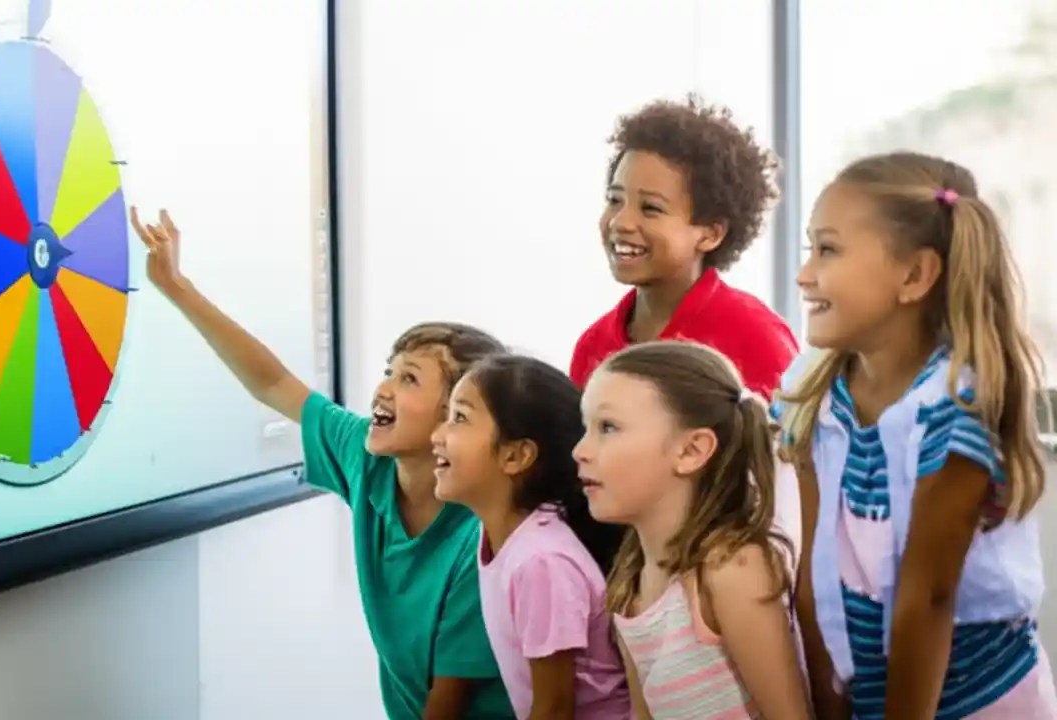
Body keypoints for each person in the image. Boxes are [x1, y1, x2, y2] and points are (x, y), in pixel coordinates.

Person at [131, 208, 514, 719]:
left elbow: (447, 703)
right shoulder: (367, 458)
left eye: (409, 380)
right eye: (388, 371)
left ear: (454, 417)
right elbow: (272, 383)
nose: (382, 389)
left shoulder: (479, 538)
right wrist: (178, 288)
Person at [779, 151, 1057, 719]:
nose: (805, 273)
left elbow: (926, 600)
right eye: (810, 248)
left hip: (982, 703)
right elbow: (814, 578)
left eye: (827, 249)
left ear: (914, 276)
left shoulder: (954, 413)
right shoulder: (814, 399)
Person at [576, 341, 810, 719]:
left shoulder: (731, 569)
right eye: (584, 427)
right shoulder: (629, 582)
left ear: (691, 451)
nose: (580, 450)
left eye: (607, 427)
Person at [430, 354, 630, 719]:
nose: (437, 435)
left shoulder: (541, 561)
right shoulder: (503, 538)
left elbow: (554, 709)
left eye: (459, 418)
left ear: (515, 455)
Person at [570, 95, 798, 400]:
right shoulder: (593, 346)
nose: (621, 222)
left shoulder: (755, 337)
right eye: (615, 200)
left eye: (650, 208)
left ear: (711, 234)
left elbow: (791, 442)